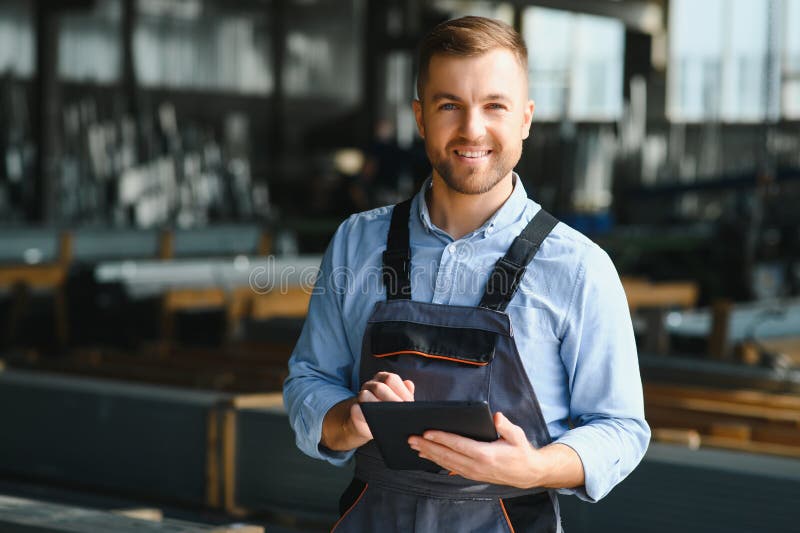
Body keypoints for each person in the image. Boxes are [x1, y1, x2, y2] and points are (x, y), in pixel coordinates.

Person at [283, 16, 650, 532]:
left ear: (525, 118)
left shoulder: (579, 268)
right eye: (449, 105)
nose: (472, 129)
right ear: (420, 117)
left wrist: (534, 467)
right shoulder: (355, 244)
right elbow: (309, 379)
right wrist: (346, 420)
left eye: (494, 106)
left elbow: (621, 428)